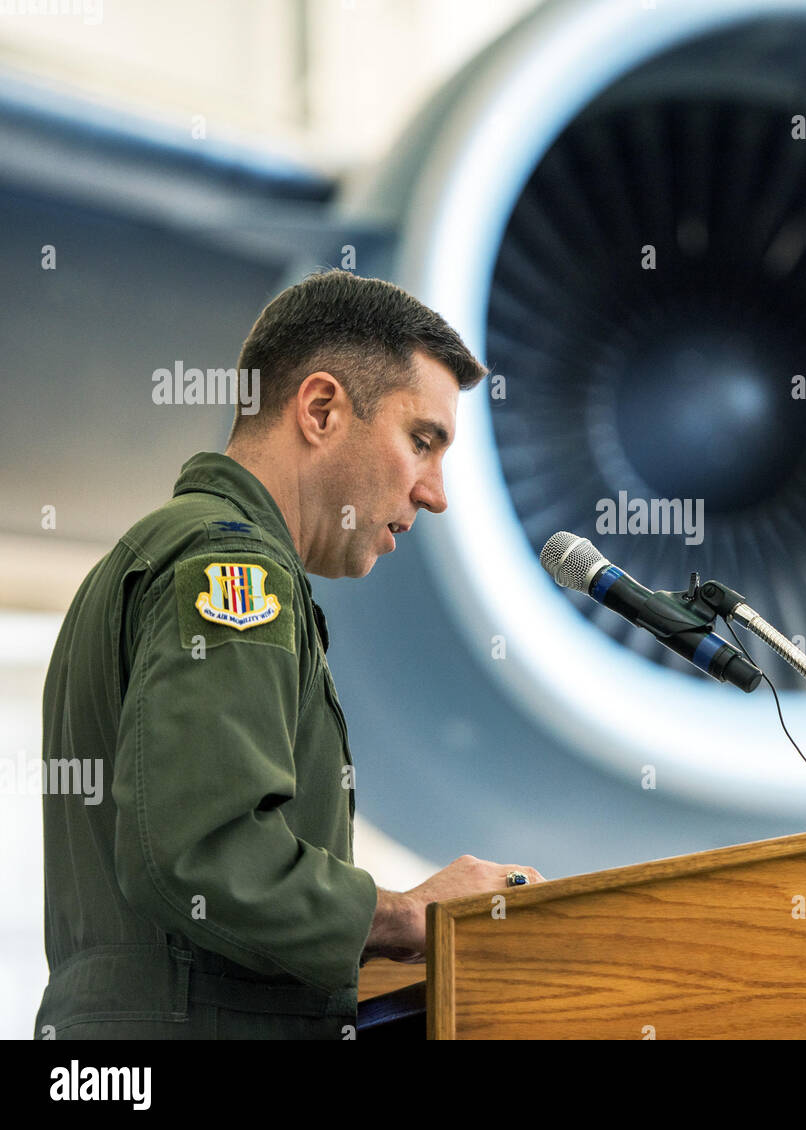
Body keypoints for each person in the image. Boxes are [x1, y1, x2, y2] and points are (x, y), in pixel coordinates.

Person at [34, 269, 545, 1040]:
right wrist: (409, 916)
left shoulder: (163, 554)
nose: (435, 492)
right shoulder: (229, 570)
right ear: (320, 409)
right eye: (422, 440)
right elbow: (202, 851)